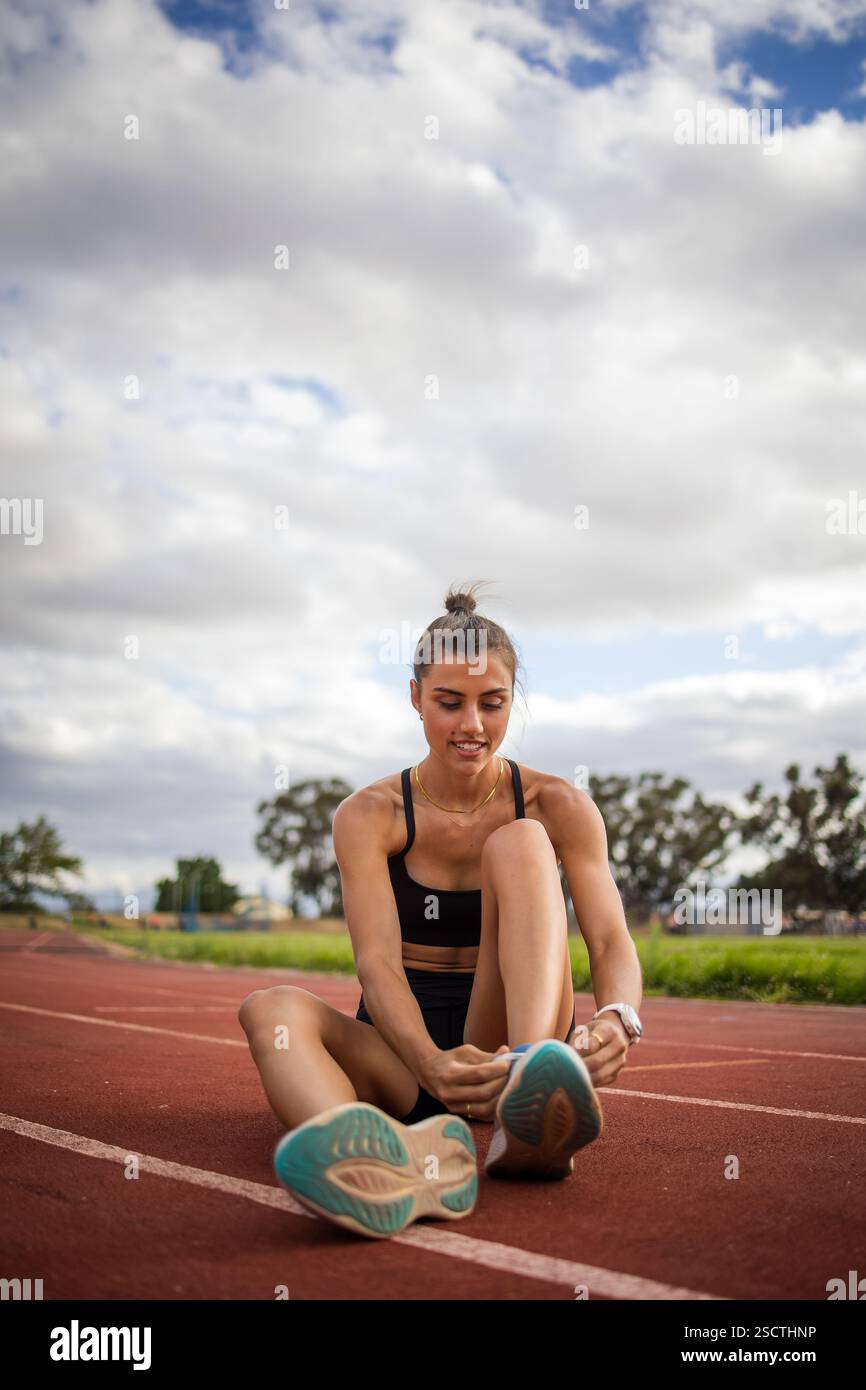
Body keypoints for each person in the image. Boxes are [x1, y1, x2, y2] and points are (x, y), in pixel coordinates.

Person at [239, 584, 643, 1239]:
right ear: (414, 698)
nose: (472, 726)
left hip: (503, 1035)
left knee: (521, 841)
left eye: (493, 703)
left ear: (514, 700)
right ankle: (384, 1159)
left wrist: (620, 1019)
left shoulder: (557, 803)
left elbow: (609, 939)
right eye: (448, 703)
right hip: (402, 1053)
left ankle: (526, 1101)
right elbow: (375, 966)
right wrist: (428, 1062)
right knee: (268, 1008)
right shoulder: (369, 815)